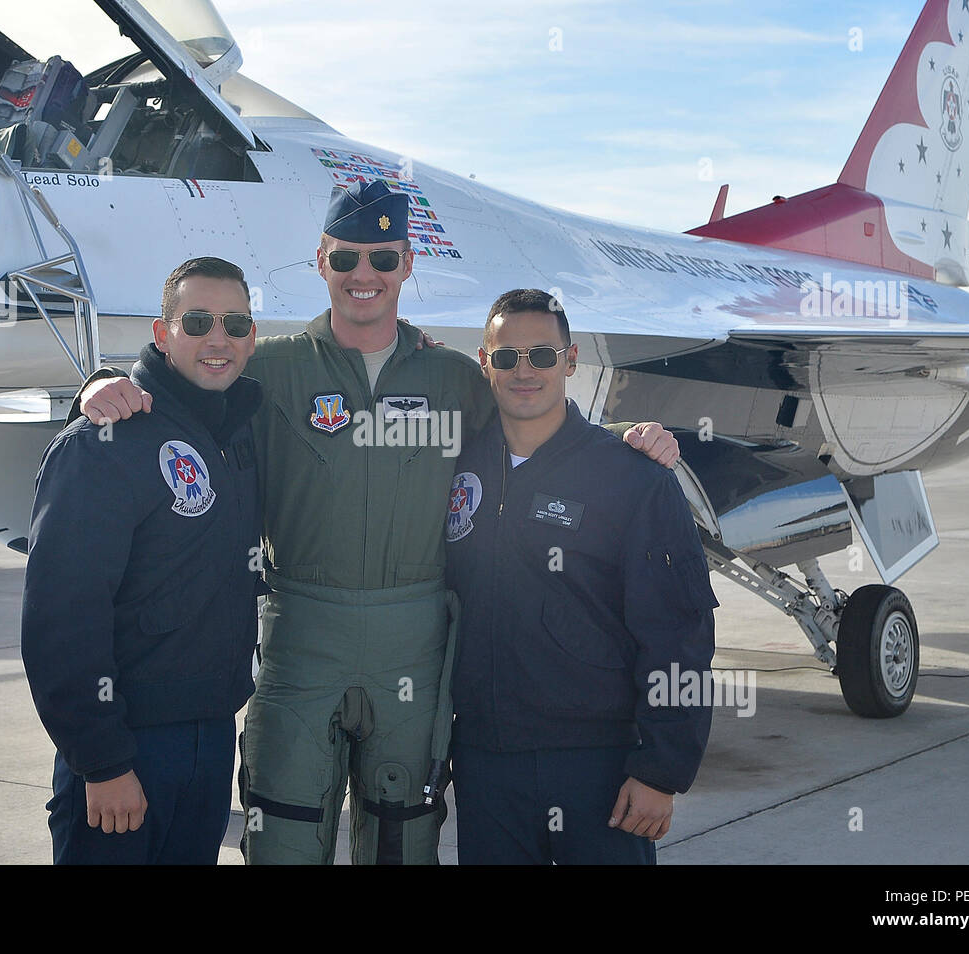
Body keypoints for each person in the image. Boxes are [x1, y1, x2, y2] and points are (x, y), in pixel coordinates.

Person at [76, 179, 679, 864]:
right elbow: (180, 391)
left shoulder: (453, 378)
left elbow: (536, 414)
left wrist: (629, 436)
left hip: (414, 645)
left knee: (404, 829)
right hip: (302, 637)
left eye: (383, 259)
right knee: (284, 827)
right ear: (322, 261)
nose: (365, 275)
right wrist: (97, 385)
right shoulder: (267, 369)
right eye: (347, 259)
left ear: (407, 264)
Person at [444, 289, 719, 865]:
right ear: (483, 360)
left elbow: (678, 631)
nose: (525, 371)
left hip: (598, 768)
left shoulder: (633, 478)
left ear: (569, 362)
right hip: (487, 764)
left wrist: (661, 771)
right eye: (506, 356)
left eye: (542, 356)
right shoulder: (456, 468)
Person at [21, 256, 263, 864]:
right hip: (128, 747)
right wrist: (101, 762)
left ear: (252, 338)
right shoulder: (106, 441)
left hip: (210, 739)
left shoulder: (237, 436)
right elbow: (62, 617)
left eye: (235, 324)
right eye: (198, 320)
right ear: (162, 334)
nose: (218, 338)